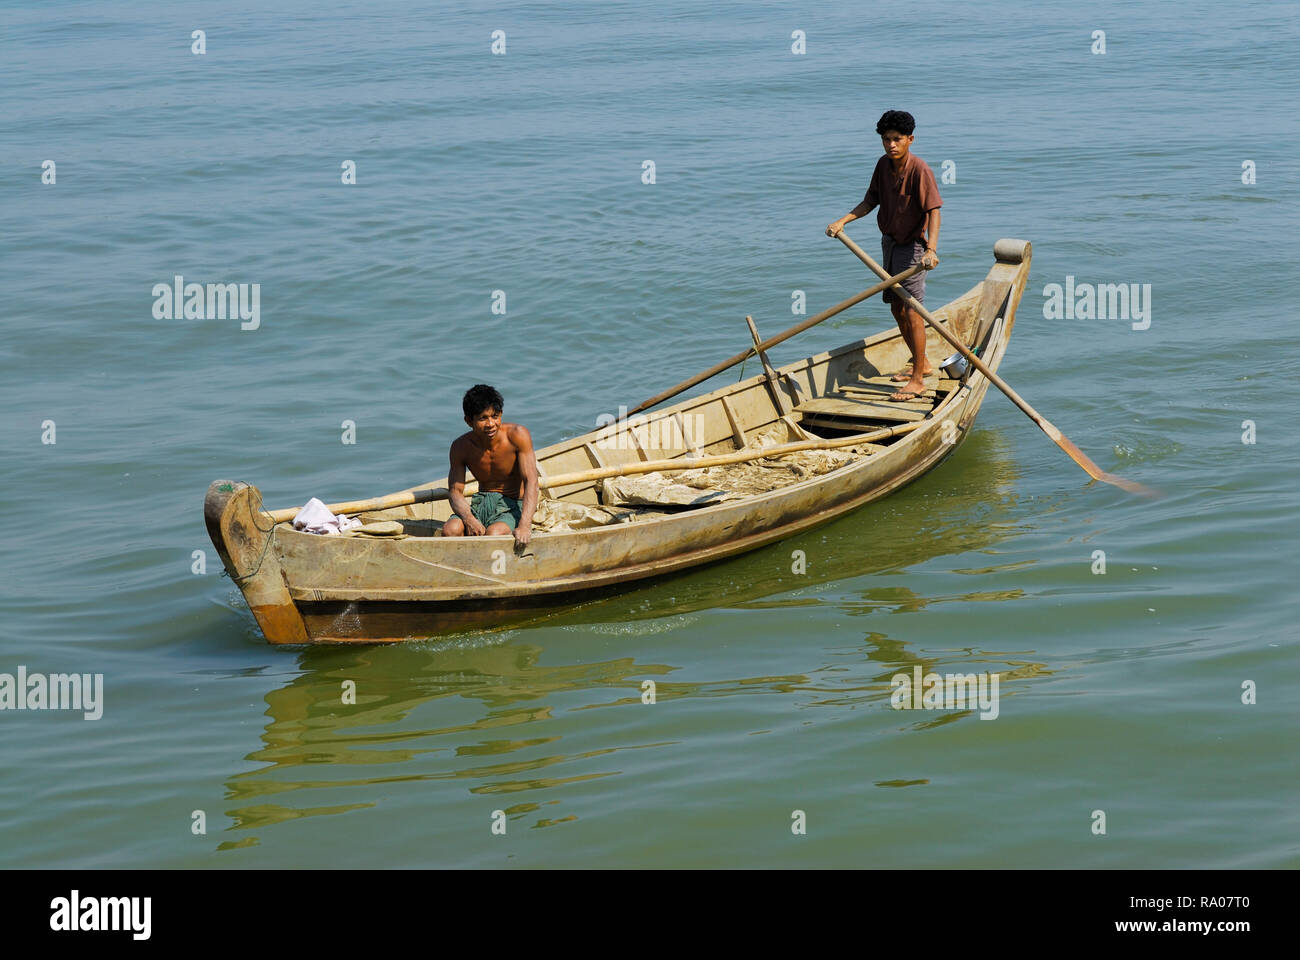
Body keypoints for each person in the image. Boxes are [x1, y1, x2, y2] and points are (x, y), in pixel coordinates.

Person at [826, 109, 943, 401]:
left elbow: (934, 211)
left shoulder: (920, 170)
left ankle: (917, 380)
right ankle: (923, 363)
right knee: (896, 308)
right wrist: (843, 221)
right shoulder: (882, 165)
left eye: (897, 139)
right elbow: (870, 201)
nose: (891, 145)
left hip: (914, 249)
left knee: (912, 310)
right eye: (886, 139)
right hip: (889, 245)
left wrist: (931, 249)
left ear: (910, 140)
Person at [441, 384, 539, 547]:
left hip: (513, 505)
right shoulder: (460, 447)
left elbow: (532, 481)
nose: (491, 424)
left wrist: (524, 525)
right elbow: (455, 491)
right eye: (482, 418)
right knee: (450, 530)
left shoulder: (517, 435)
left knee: (492, 534)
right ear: (468, 421)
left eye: (495, 416)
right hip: (481, 503)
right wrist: (469, 519)